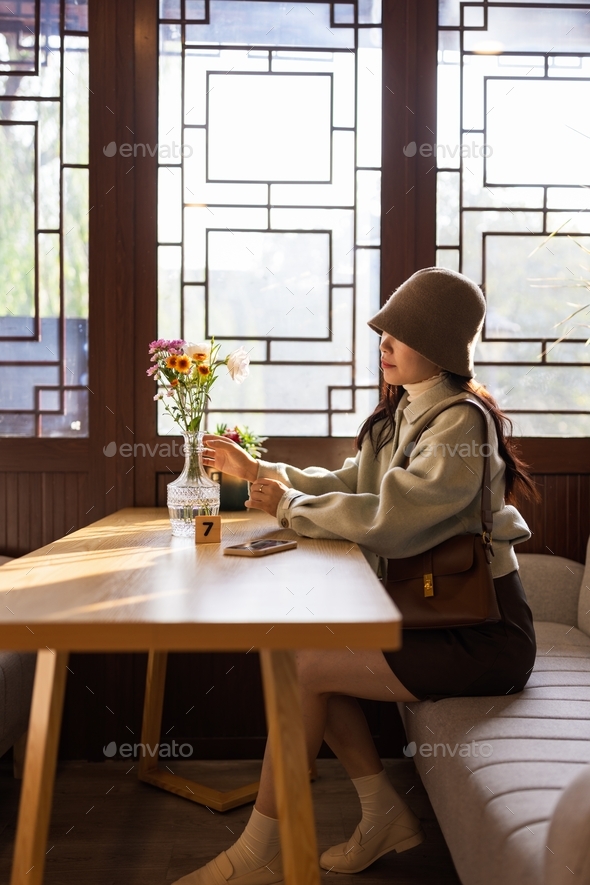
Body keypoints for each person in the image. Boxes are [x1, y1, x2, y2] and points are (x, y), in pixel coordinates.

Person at [173, 267, 538, 885]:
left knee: (304, 666)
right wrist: (257, 468)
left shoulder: (461, 422)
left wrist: (286, 506)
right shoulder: (404, 413)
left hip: (483, 635)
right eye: (384, 333)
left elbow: (393, 518)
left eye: (400, 334)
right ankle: (381, 816)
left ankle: (263, 848)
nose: (384, 344)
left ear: (442, 346)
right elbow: (353, 485)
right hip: (430, 613)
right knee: (294, 651)